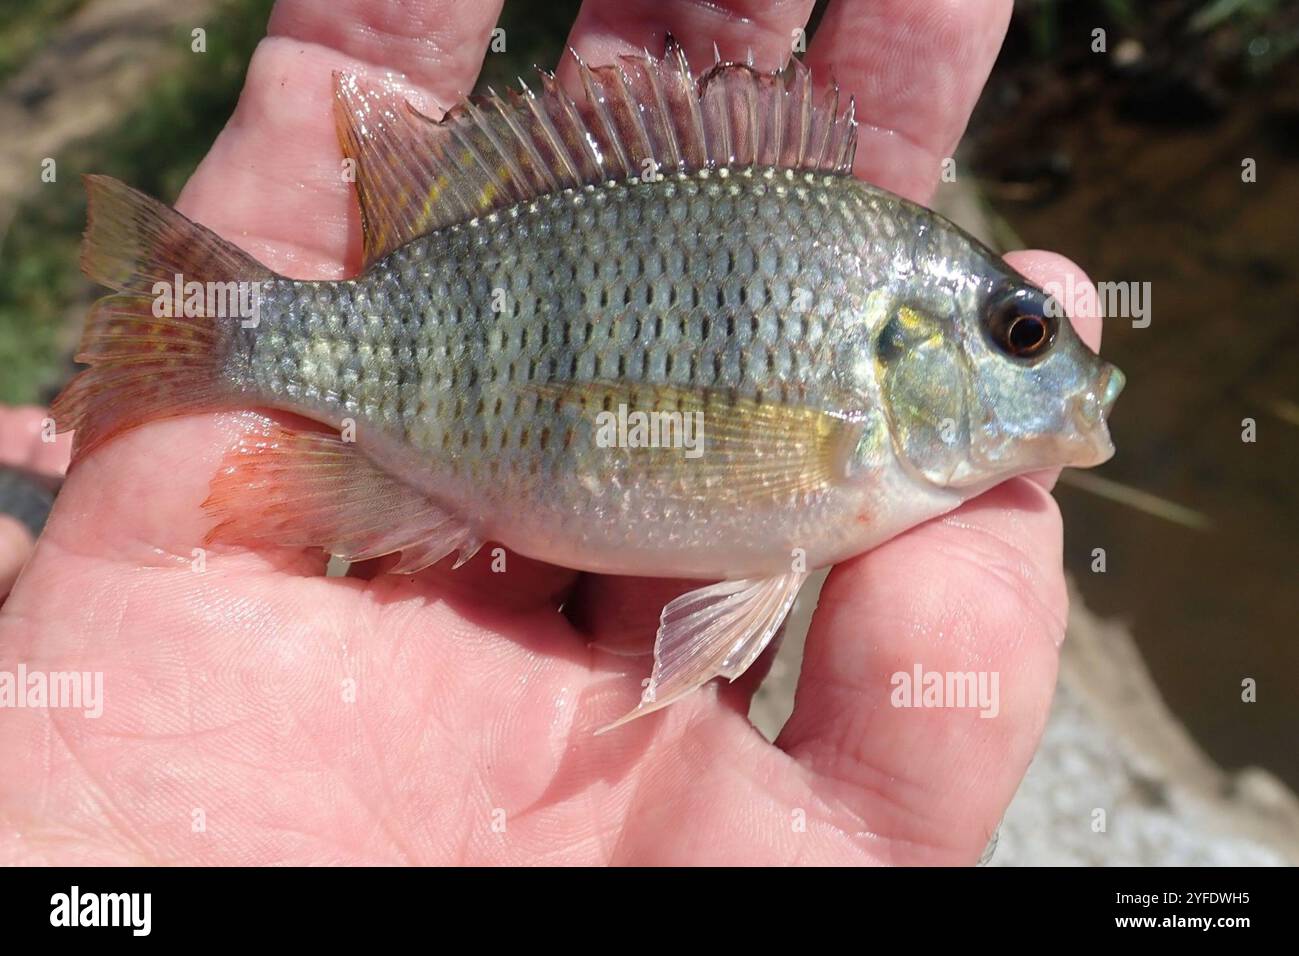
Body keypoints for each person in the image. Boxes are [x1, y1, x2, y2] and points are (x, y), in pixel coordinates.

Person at [0, 0, 1104, 865]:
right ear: (899, 349)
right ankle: (206, 339)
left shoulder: (858, 421)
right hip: (442, 419)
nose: (1061, 375)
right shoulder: (844, 442)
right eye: (1017, 334)